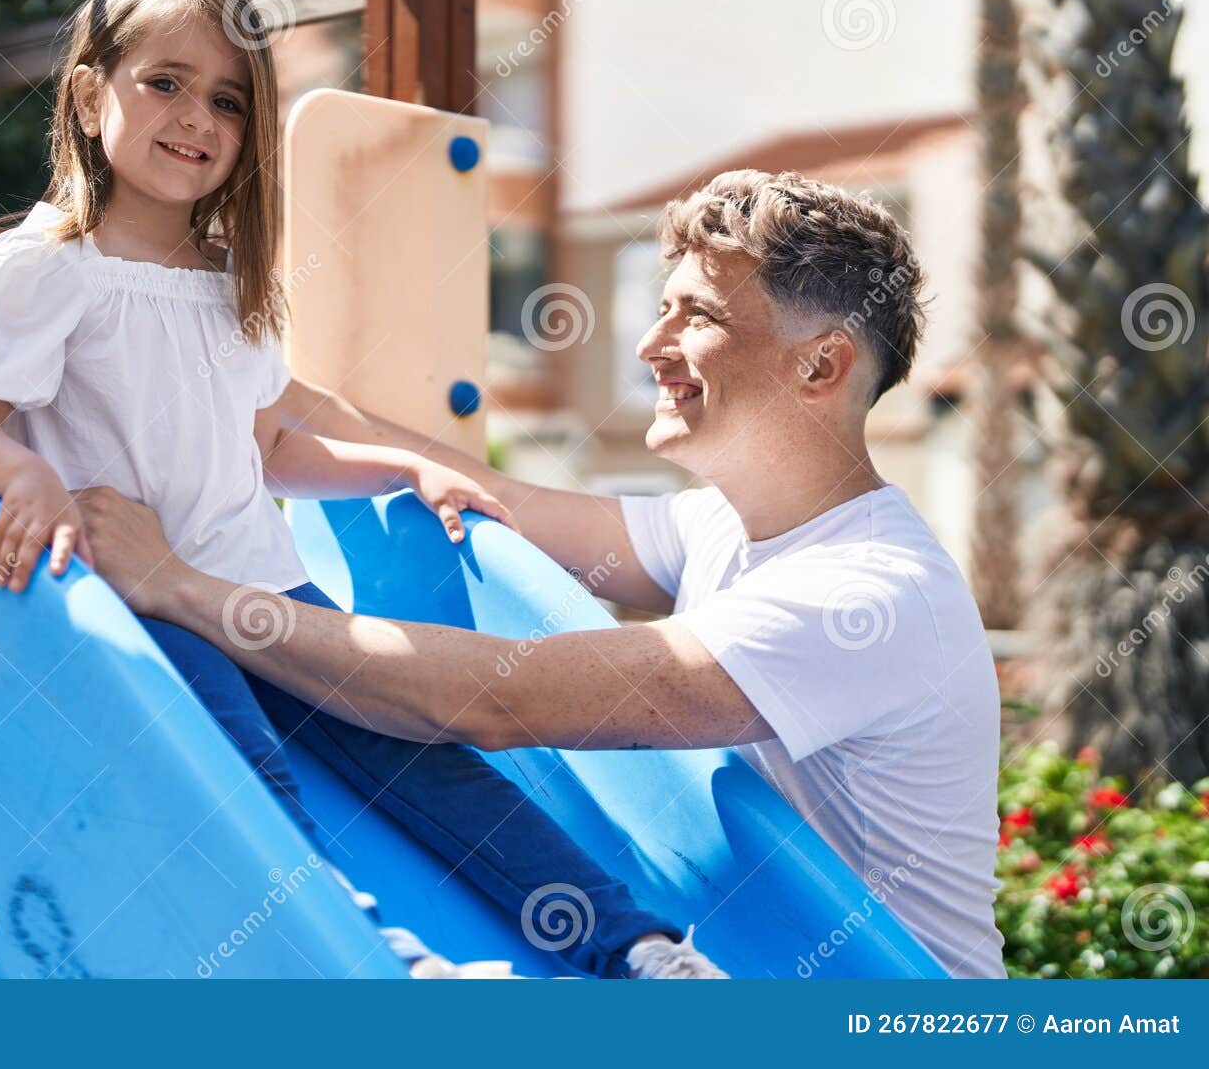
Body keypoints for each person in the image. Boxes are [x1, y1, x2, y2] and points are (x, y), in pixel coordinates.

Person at [0, 0, 717, 979]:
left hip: (262, 584)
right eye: (162, 82)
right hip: (144, 602)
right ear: (86, 94)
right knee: (244, 771)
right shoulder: (44, 266)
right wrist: (22, 478)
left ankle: (633, 941)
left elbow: (270, 448)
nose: (194, 117)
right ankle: (372, 952)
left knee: (428, 761)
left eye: (226, 99)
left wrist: (399, 467)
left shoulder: (227, 284)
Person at [76, 169, 1009, 979]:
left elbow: (493, 699)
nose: (652, 345)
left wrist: (184, 589)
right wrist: (251, 389)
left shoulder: (869, 596)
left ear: (821, 365)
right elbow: (494, 501)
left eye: (701, 315)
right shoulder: (722, 524)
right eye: (664, 305)